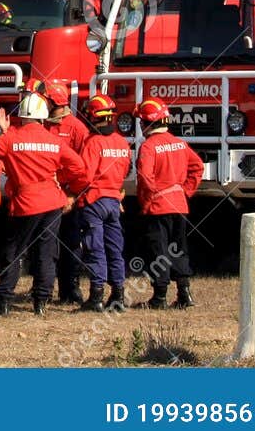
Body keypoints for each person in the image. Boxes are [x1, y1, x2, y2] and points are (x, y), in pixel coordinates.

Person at [0, 92, 89, 316]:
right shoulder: (54, 141)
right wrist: (67, 187)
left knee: (14, 251)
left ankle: (4, 301)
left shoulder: (12, 138)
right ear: (43, 117)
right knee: (47, 253)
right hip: (52, 202)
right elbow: (79, 168)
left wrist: (3, 130)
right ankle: (41, 302)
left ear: (22, 115)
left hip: (25, 203)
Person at [134, 99, 204, 309]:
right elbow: (197, 166)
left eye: (140, 121)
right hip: (179, 205)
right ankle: (185, 294)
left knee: (159, 252)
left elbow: (145, 178)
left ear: (147, 123)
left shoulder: (148, 147)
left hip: (158, 207)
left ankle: (159, 298)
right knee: (179, 249)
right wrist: (185, 191)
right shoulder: (179, 143)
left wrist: (148, 202)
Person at [76, 94, 130, 313]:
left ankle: (96, 296)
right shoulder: (122, 142)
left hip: (94, 201)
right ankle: (117, 295)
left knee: (95, 248)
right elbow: (125, 170)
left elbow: (86, 176)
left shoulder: (93, 142)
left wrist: (74, 192)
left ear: (92, 116)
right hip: (114, 201)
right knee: (115, 249)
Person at [46, 80, 91, 304]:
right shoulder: (44, 125)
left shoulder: (77, 128)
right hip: (48, 192)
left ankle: (71, 287)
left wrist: (73, 195)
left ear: (56, 103)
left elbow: (84, 167)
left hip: (69, 195)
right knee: (48, 243)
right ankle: (47, 288)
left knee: (71, 242)